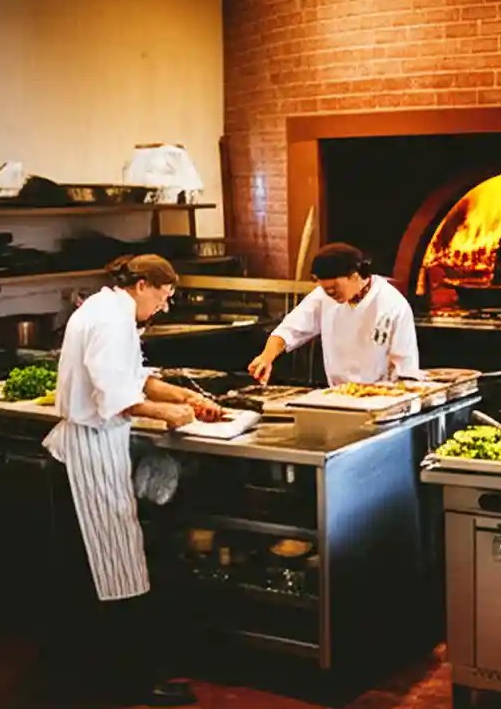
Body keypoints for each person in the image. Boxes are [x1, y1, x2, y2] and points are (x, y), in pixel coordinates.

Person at [43, 254, 217, 706]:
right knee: (117, 570)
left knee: (115, 566)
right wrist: (170, 413)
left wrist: (177, 392)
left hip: (96, 448)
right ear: (142, 285)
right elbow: (116, 396)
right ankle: (127, 684)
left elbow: (133, 377)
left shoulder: (108, 309)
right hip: (89, 453)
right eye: (163, 296)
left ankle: (116, 676)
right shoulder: (110, 320)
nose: (163, 306)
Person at [248, 242, 419, 386]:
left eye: (333, 288)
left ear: (354, 276)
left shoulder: (392, 304)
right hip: (337, 395)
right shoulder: (323, 297)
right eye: (324, 289)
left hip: (381, 399)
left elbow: (406, 369)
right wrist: (266, 357)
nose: (329, 293)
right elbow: (290, 329)